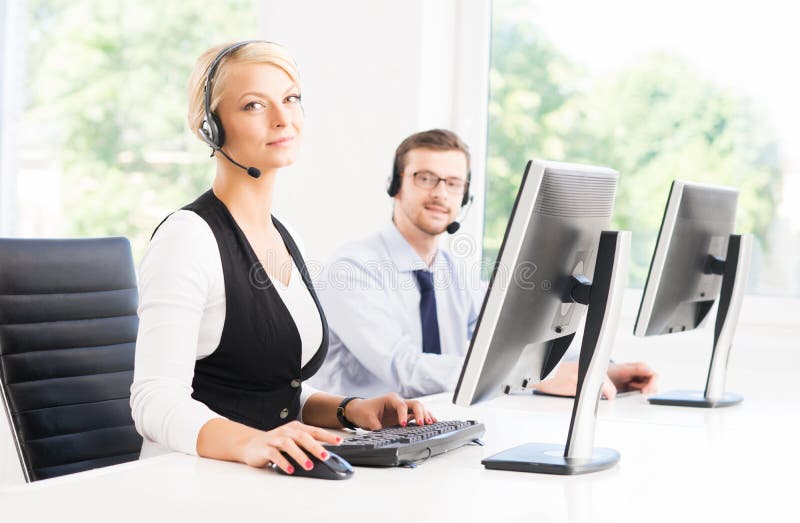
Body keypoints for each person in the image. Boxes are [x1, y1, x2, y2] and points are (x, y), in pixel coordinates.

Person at [130, 41, 434, 477]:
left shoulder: (284, 238)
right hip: (191, 481)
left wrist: (351, 410)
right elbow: (154, 399)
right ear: (210, 129)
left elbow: (271, 390)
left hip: (265, 479)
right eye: (254, 105)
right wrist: (253, 443)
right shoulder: (189, 238)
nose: (282, 118)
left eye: (290, 98)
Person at [310, 129, 658, 399]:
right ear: (395, 186)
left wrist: (597, 369)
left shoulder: (453, 271)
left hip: (434, 430)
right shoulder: (353, 270)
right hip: (360, 442)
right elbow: (406, 371)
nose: (440, 194)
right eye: (425, 178)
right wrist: (540, 380)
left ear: (466, 195)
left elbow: (503, 343)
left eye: (453, 183)